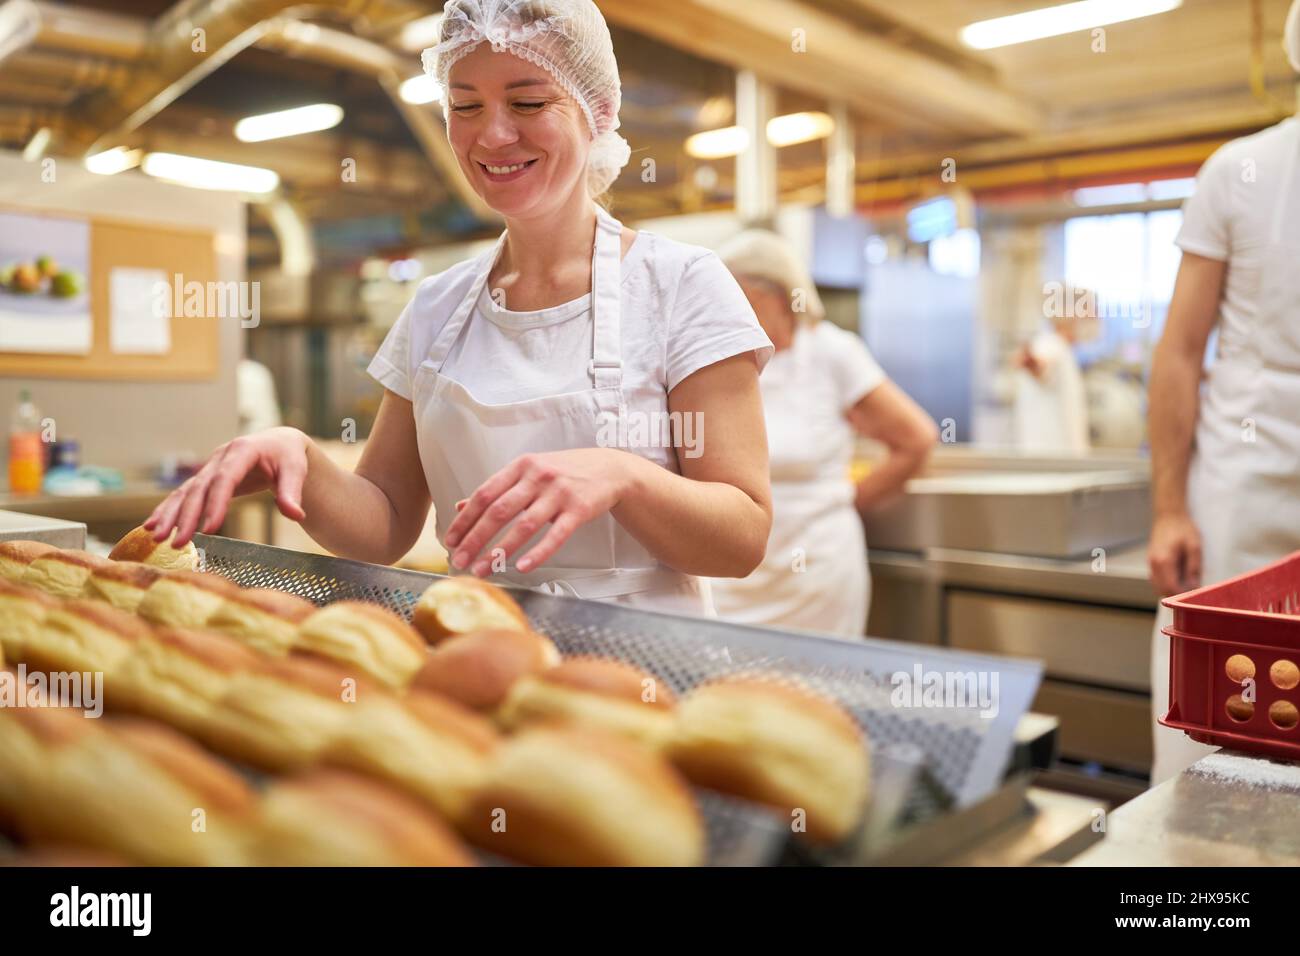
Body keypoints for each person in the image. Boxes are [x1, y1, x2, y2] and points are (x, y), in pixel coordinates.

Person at [146, 0, 775, 617]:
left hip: (639, 671)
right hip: (468, 646)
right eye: (465, 106)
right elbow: (386, 521)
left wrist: (623, 476)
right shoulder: (437, 307)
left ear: (599, 111)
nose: (493, 134)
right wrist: (300, 460)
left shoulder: (681, 286)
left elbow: (742, 536)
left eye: (528, 102)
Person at [1146, 0, 1300, 785]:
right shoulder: (1241, 172)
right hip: (1243, 494)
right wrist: (1171, 507)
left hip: (1243, 490)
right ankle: (1191, 885)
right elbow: (1179, 350)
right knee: (1218, 712)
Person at [708, 230, 936, 637]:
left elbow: (916, 439)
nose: (727, 309)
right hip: (732, 578)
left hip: (815, 574)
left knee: (816, 692)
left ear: (777, 296)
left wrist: (843, 501)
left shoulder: (834, 353)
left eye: (739, 296)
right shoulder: (720, 358)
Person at [1002, 303, 1093, 454]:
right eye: (1088, 316)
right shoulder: (1051, 345)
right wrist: (1031, 363)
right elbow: (1040, 368)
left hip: (1060, 459)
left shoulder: (1062, 349)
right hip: (1053, 458)